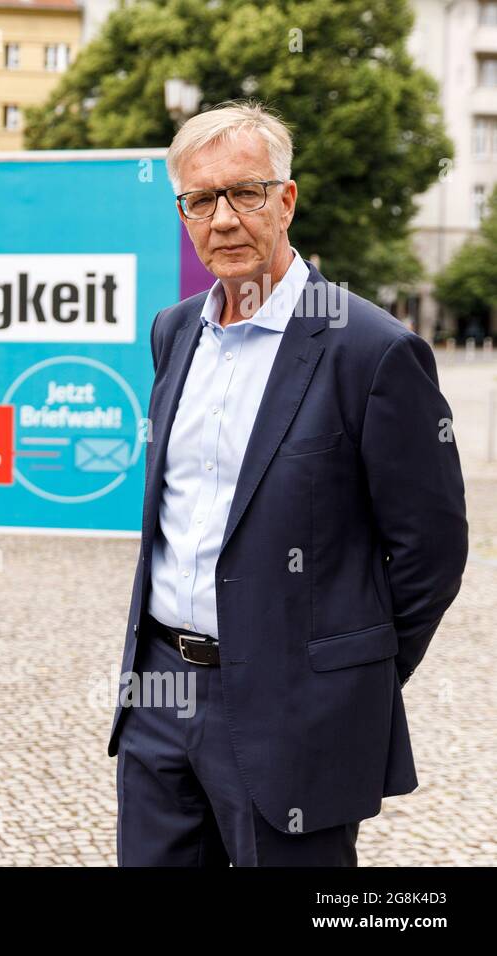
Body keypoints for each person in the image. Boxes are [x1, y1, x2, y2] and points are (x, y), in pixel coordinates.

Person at [107, 101, 468, 866]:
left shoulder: (372, 349)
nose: (224, 219)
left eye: (246, 192)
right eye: (201, 200)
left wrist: (342, 675)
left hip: (297, 709)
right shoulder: (174, 332)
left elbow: (431, 550)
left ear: (287, 200)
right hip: (161, 694)